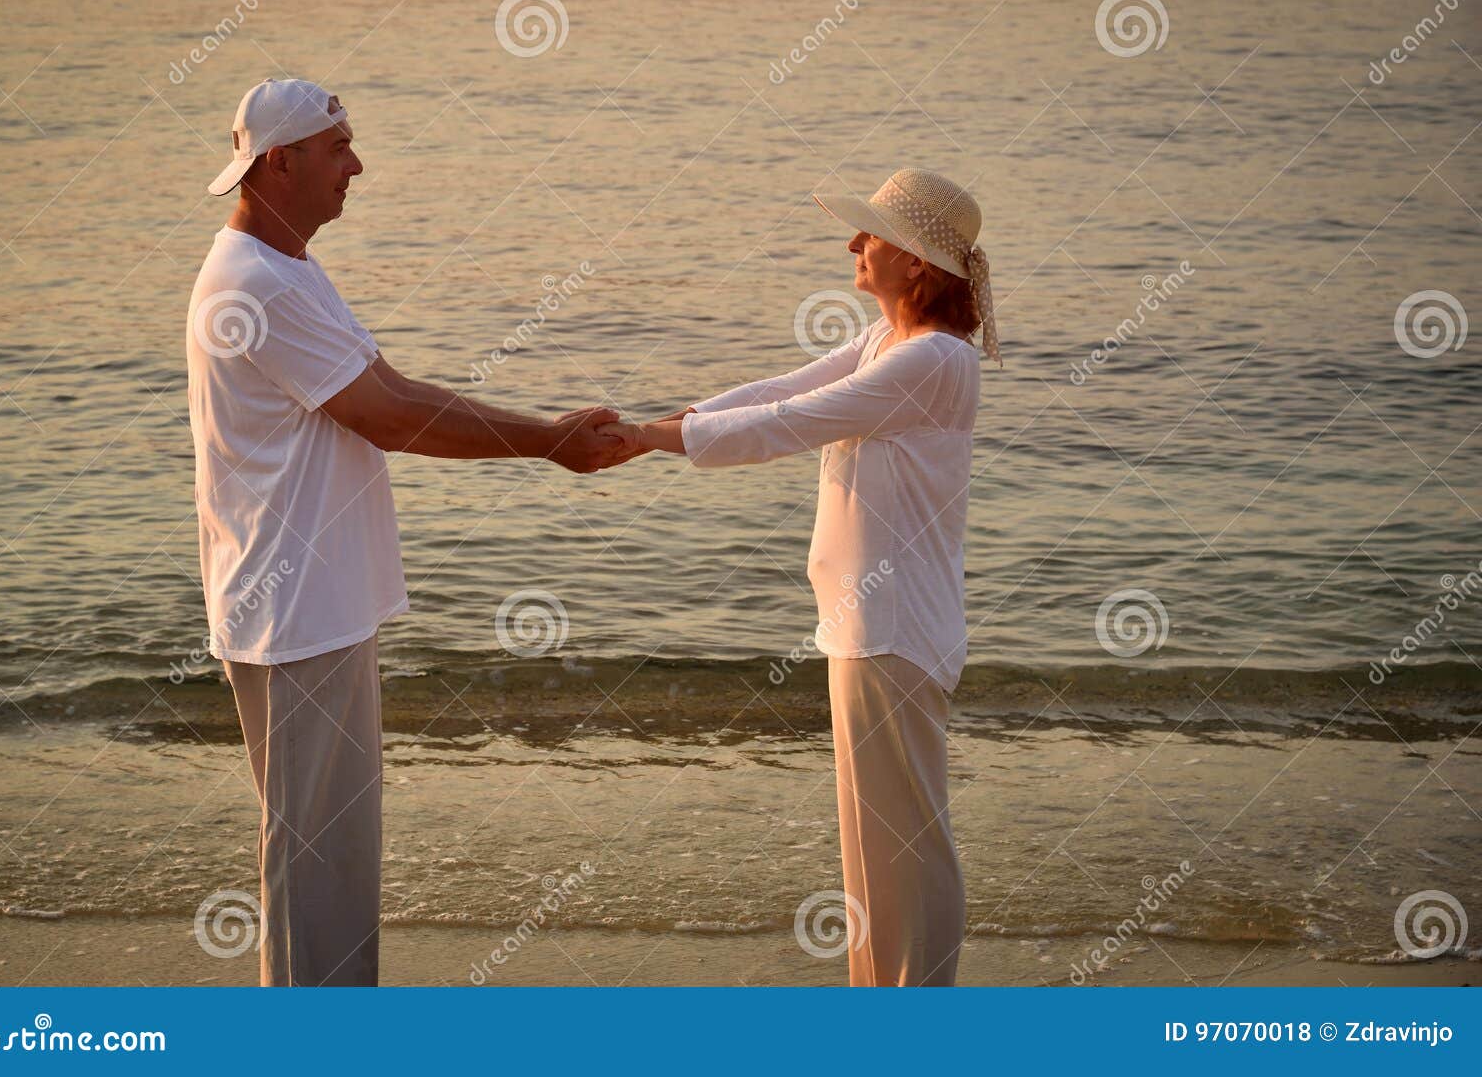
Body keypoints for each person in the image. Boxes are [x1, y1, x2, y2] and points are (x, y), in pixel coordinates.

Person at [185, 79, 627, 986]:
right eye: (339, 147)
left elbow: (392, 387)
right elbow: (387, 418)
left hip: (317, 608)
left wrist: (546, 432)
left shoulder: (289, 267)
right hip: (294, 613)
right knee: (315, 864)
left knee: (337, 859)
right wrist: (546, 444)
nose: (357, 165)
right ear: (282, 161)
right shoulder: (255, 282)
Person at [605, 169, 1000, 986]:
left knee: (907, 843)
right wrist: (663, 425)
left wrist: (646, 438)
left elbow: (791, 423)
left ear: (916, 262)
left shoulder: (933, 360)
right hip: (865, 626)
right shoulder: (887, 342)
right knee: (872, 846)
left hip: (895, 628)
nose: (854, 243)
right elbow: (783, 390)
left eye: (872, 234)